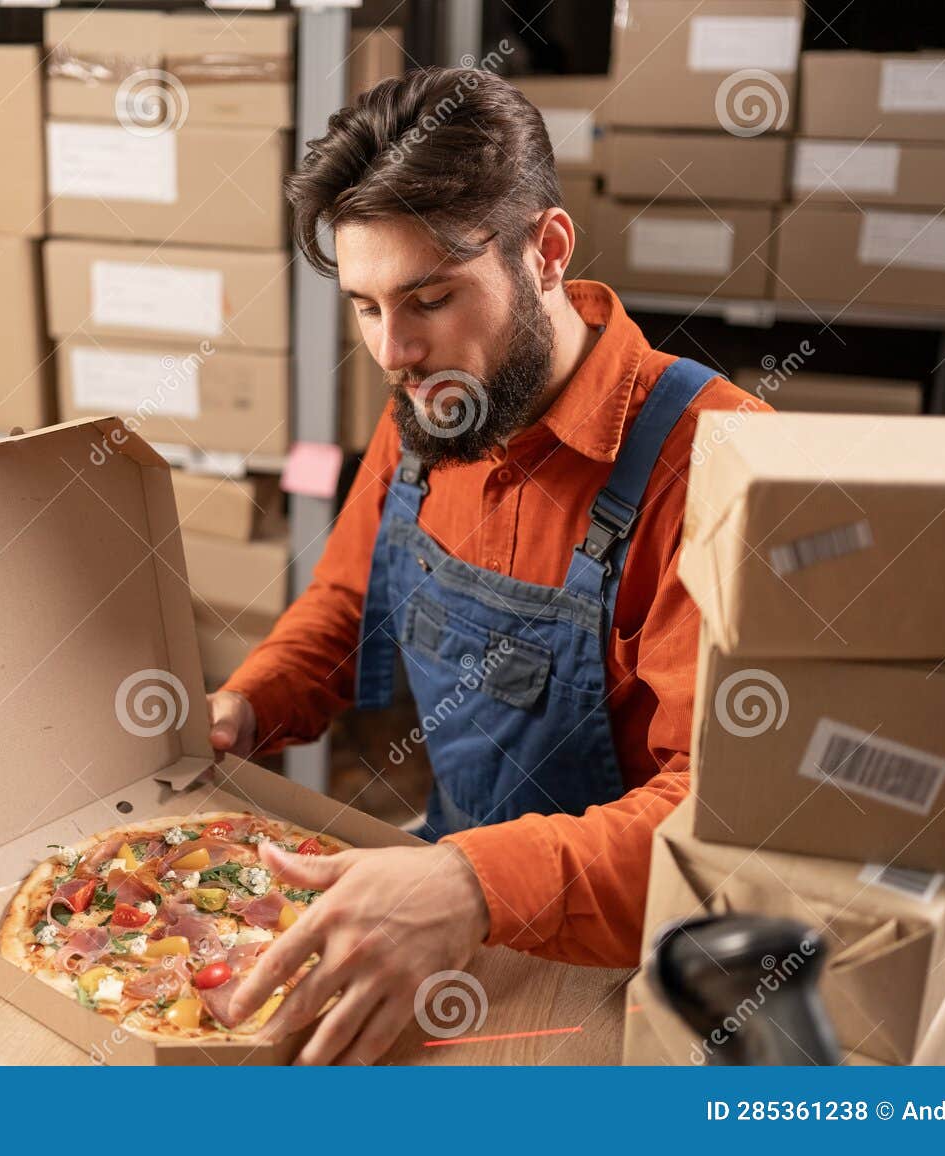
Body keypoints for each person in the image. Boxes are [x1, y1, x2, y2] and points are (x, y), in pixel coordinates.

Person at [205, 66, 768, 1063]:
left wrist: (472, 883)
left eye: (428, 298)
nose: (391, 350)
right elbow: (347, 605)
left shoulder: (718, 463)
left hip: (642, 963)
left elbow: (724, 816)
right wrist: (245, 705)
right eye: (366, 306)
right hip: (450, 888)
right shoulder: (429, 408)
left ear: (546, 251)